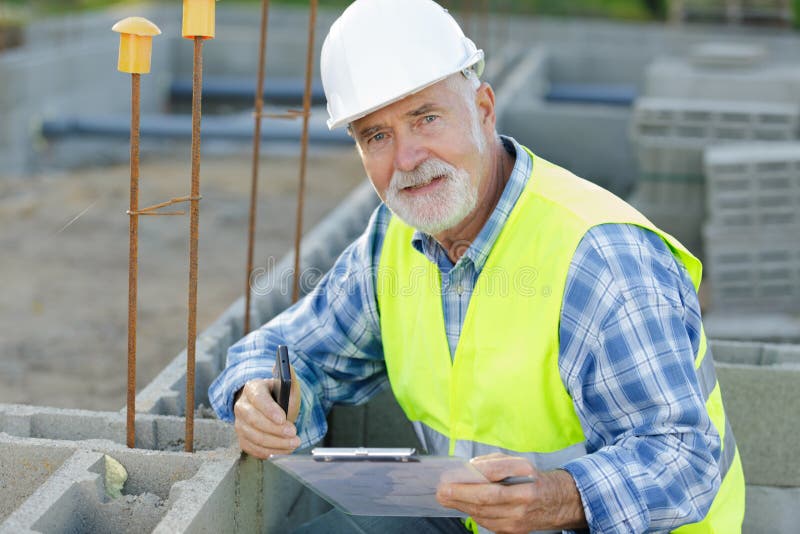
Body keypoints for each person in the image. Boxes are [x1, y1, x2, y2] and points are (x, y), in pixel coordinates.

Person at [209, 0, 745, 532]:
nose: (407, 158)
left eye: (427, 118)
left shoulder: (600, 257)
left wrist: (560, 496)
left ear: (484, 109)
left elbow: (684, 460)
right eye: (377, 135)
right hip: (470, 518)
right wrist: (258, 398)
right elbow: (281, 352)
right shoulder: (393, 240)